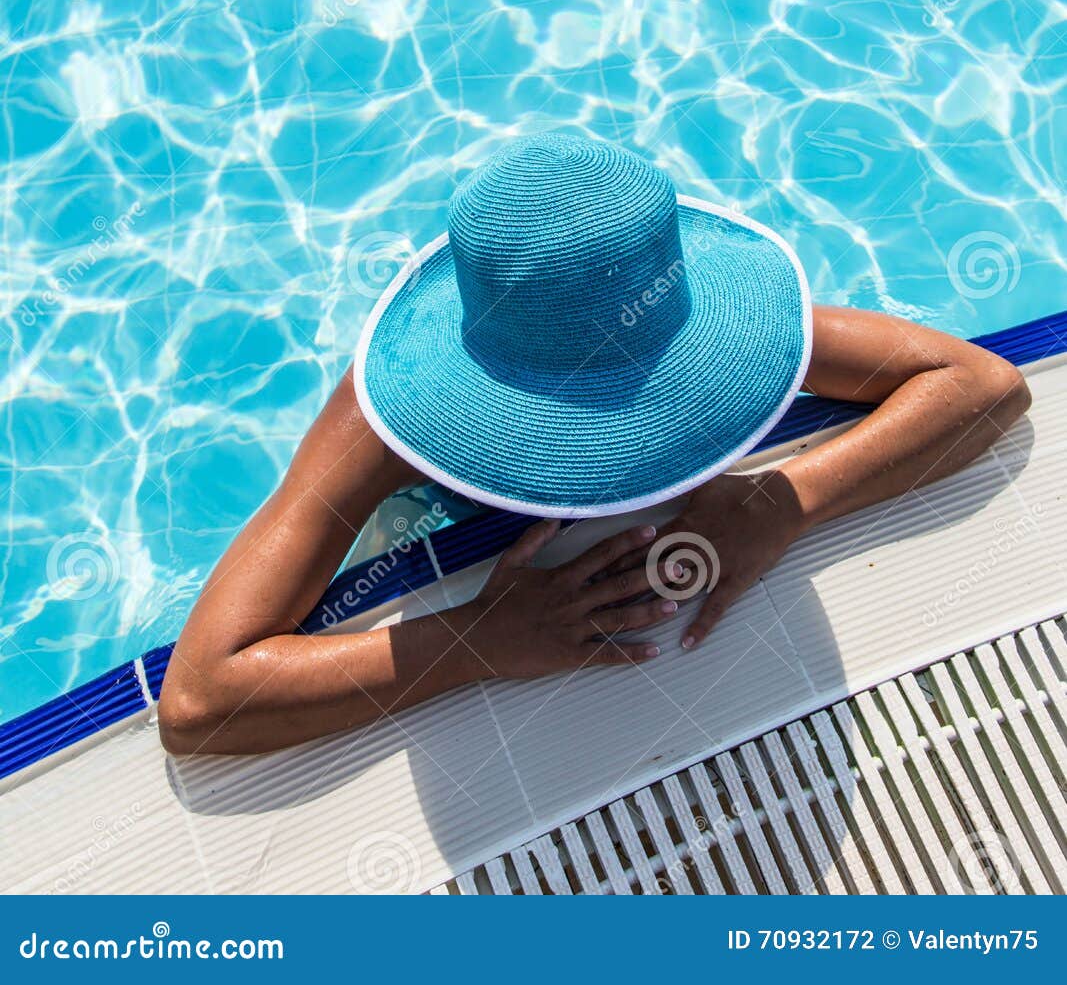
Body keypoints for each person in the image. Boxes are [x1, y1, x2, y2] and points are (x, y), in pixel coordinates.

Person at [159, 132, 1029, 756]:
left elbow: (983, 387)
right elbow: (202, 697)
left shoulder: (698, 319)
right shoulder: (383, 419)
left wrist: (783, 499)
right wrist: (476, 644)